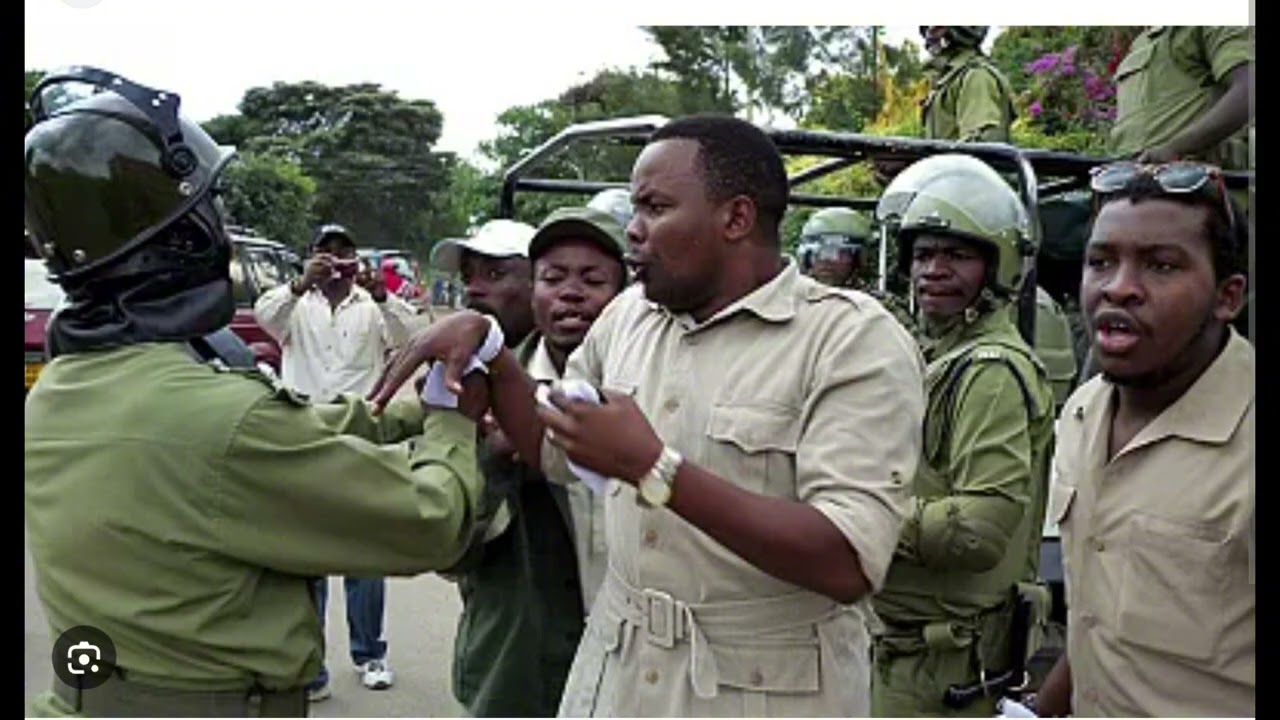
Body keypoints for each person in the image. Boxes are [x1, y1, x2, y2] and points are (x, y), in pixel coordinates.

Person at [369, 114, 925, 717]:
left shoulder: (851, 342)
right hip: (621, 668)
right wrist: (494, 357)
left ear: (736, 218)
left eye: (655, 208)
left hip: (763, 688)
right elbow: (555, 447)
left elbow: (846, 562)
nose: (633, 231)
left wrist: (654, 468)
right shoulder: (630, 316)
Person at [24, 67, 487, 718]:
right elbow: (431, 523)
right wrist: (450, 419)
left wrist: (400, 413)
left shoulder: (61, 392)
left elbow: (292, 428)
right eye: (209, 208)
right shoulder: (217, 416)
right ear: (182, 237)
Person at [1034, 161, 1253, 717]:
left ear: (1228, 298)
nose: (1119, 288)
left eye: (1160, 266)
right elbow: (1099, 622)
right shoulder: (1083, 413)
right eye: (1100, 262)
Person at [869, 154, 1056, 717]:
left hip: (943, 660)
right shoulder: (938, 355)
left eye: (957, 255)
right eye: (923, 254)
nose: (933, 269)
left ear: (997, 267)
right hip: (908, 646)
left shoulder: (990, 370)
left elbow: (976, 532)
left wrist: (859, 512)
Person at [253, 223, 419, 700]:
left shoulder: (373, 307)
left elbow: (412, 335)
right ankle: (312, 668)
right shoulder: (292, 307)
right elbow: (266, 316)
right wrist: (300, 282)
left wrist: (381, 294)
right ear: (311, 258)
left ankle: (371, 656)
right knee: (307, 559)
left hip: (361, 437)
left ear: (356, 259)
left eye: (342, 253)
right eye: (324, 253)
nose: (334, 262)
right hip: (302, 436)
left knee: (364, 555)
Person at [1109, 27, 1252, 170]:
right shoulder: (1143, 41)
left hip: (1196, 181)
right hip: (1130, 182)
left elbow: (1248, 89)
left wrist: (1175, 149)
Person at [920, 26, 1015, 143]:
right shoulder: (948, 78)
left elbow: (978, 149)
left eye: (938, 27)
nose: (930, 32)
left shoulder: (976, 77)